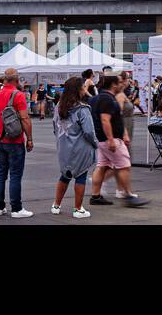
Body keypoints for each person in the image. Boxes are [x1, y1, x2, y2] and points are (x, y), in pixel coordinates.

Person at [89, 74, 147, 207]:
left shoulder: (97, 98)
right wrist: (111, 140)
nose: (122, 84)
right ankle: (128, 195)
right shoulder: (107, 99)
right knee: (124, 165)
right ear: (114, 84)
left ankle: (96, 195)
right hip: (110, 139)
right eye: (120, 82)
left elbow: (113, 118)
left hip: (102, 138)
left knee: (102, 166)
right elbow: (105, 119)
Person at [0, 67, 33, 218]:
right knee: (15, 174)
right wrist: (30, 138)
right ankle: (16, 208)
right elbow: (25, 119)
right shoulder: (18, 95)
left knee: (0, 173)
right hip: (15, 141)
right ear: (16, 79)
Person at [52, 77, 96, 219]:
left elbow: (54, 126)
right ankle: (78, 209)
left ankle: (56, 205)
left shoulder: (59, 106)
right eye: (83, 87)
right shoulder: (83, 109)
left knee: (65, 175)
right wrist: (95, 143)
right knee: (81, 175)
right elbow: (89, 132)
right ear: (78, 90)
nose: (85, 89)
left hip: (63, 146)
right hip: (80, 147)